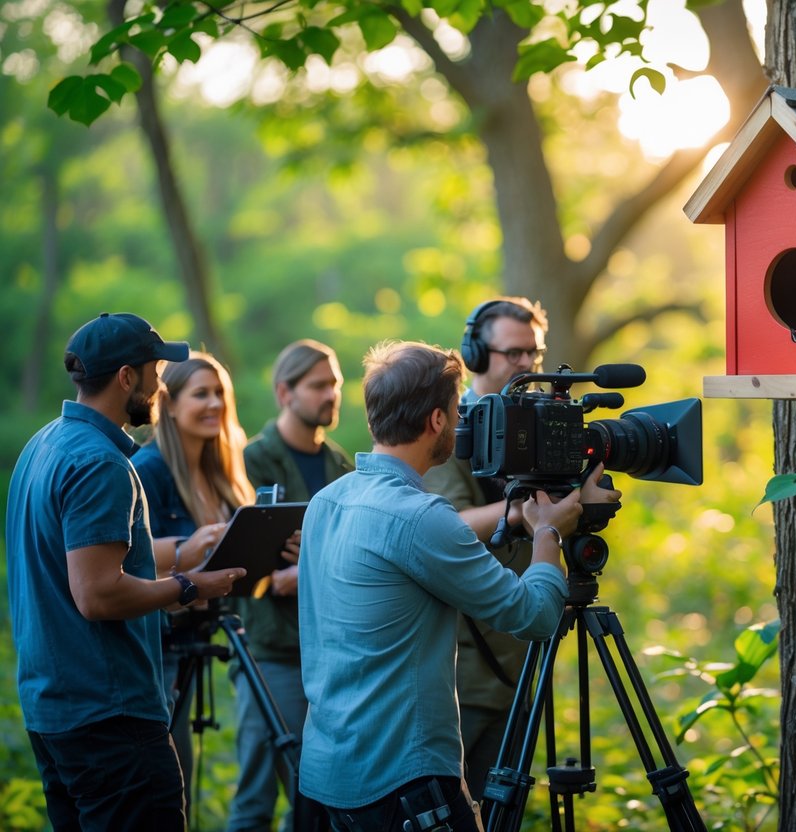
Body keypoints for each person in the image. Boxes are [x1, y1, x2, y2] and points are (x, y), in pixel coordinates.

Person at [297, 341, 620, 831]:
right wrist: (550, 531)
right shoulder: (420, 517)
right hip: (403, 782)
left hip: (327, 774)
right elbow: (532, 615)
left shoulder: (327, 500)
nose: (461, 422)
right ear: (436, 422)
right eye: (456, 411)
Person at [5, 312, 245, 831]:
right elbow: (97, 595)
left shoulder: (42, 445)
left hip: (55, 710)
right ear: (126, 378)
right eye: (156, 369)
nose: (161, 383)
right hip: (109, 715)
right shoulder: (101, 463)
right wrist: (188, 585)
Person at [422, 297, 548, 800]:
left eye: (532, 354)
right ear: (476, 352)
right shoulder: (454, 431)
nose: (525, 365)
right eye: (513, 353)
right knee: (459, 806)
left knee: (505, 805)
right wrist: (523, 515)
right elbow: (443, 526)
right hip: (468, 667)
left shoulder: (546, 426)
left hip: (523, 657)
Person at [228, 339, 354, 832]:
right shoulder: (250, 461)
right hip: (271, 650)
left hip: (330, 655)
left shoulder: (343, 467)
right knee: (256, 794)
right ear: (285, 391)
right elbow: (247, 562)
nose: (331, 394)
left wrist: (310, 567)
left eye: (335, 384)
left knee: (317, 798)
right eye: (318, 385)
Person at [132, 350, 257, 804]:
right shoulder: (147, 469)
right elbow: (131, 559)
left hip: (205, 632)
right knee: (168, 775)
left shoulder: (220, 468)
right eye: (200, 394)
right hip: (162, 643)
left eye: (219, 393)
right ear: (169, 403)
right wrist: (191, 550)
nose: (214, 404)